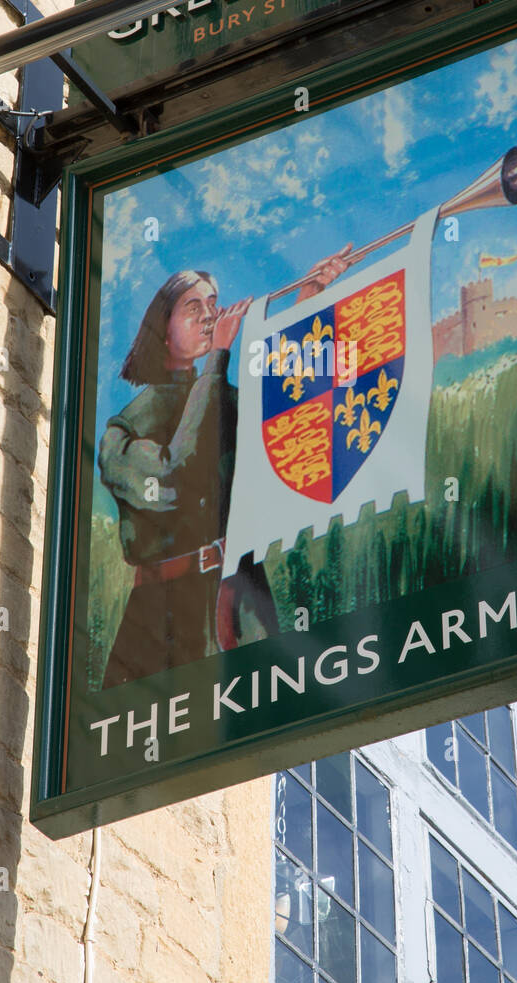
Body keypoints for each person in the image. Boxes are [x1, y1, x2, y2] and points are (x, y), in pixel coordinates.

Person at [99, 247, 352, 687]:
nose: (210, 315)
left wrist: (306, 299)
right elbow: (171, 476)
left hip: (239, 598)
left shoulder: (223, 396)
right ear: (163, 330)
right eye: (193, 307)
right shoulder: (124, 430)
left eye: (213, 304)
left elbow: (286, 408)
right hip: (163, 615)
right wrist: (217, 358)